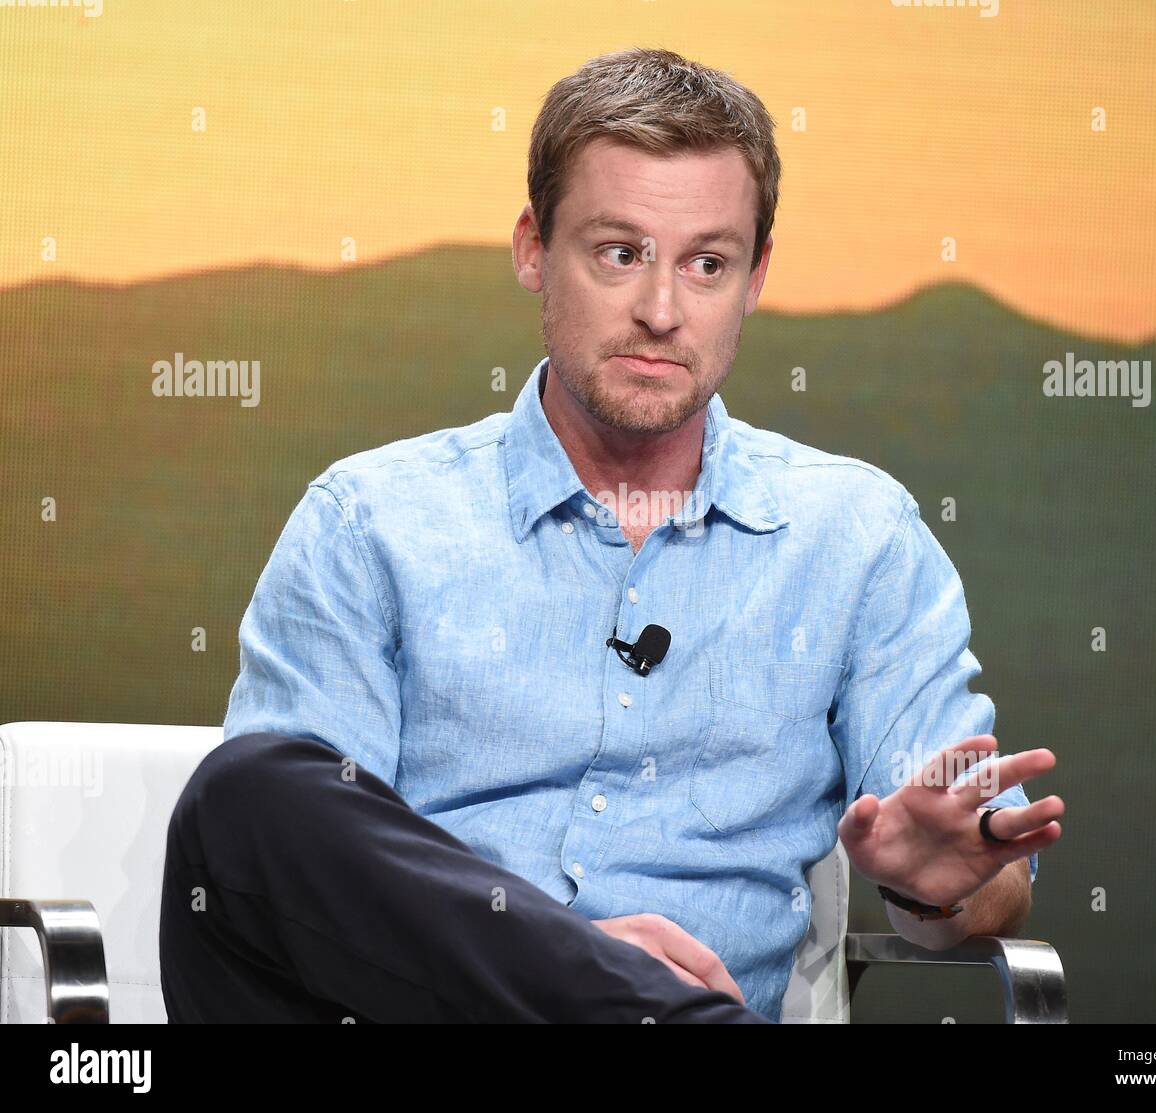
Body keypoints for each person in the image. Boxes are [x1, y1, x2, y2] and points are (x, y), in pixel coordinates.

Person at [160, 46, 1063, 1024]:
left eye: (706, 264)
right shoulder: (371, 522)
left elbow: (989, 888)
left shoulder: (856, 539)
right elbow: (290, 865)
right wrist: (567, 965)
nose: (661, 312)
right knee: (247, 793)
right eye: (619, 253)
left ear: (755, 277)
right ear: (532, 249)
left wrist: (941, 885)